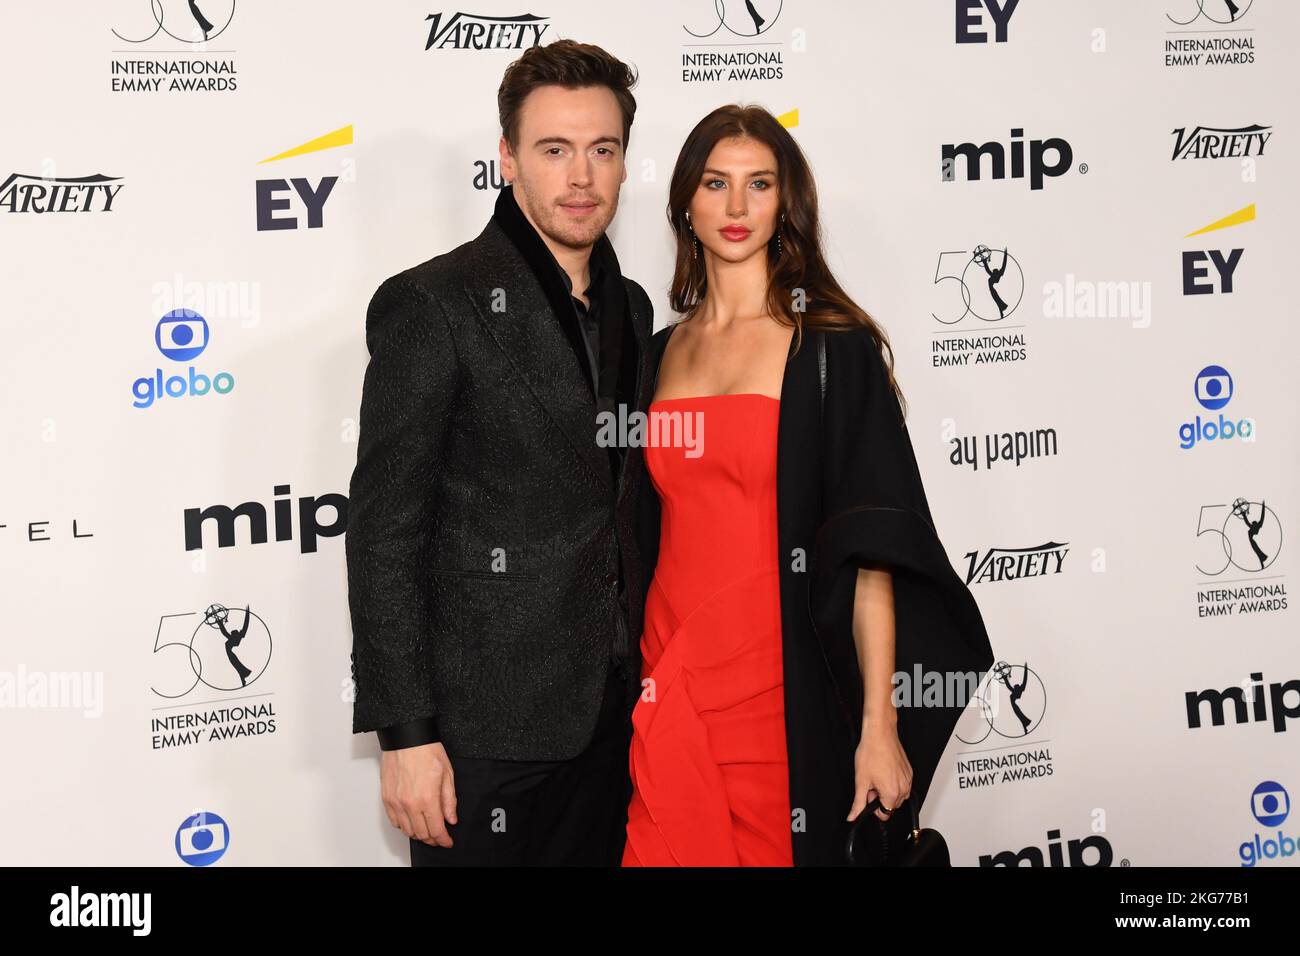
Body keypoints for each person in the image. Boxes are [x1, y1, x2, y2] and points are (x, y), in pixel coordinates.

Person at [622, 105, 996, 866]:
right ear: (684, 203)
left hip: (781, 685)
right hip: (670, 675)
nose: (735, 207)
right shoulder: (655, 354)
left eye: (758, 185)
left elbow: (871, 553)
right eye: (715, 184)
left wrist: (880, 725)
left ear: (784, 203)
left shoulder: (828, 348)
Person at [345, 39, 654, 866]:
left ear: (625, 162)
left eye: (602, 150)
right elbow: (383, 532)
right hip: (484, 744)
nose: (580, 176)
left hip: (619, 721)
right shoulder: (432, 304)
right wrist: (406, 736)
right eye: (554, 150)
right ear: (508, 160)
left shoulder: (630, 306)